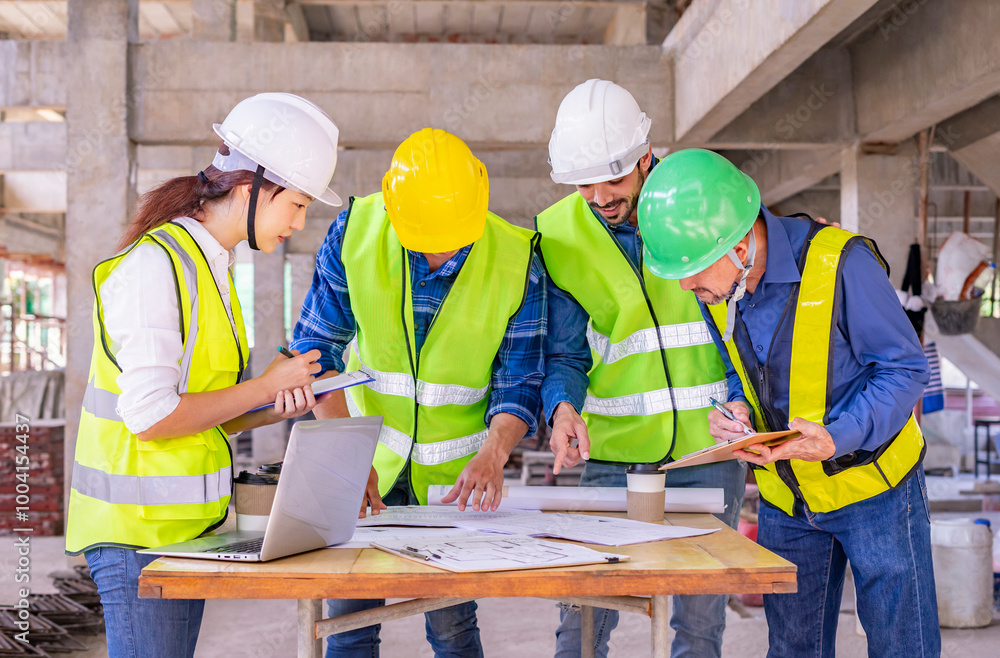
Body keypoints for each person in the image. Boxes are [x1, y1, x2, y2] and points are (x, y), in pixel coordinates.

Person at [65, 92, 343, 658]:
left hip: (183, 530)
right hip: (134, 535)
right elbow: (149, 417)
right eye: (295, 203)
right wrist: (263, 385)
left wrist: (274, 403)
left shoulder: (213, 264)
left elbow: (205, 414)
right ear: (250, 189)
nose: (299, 221)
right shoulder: (155, 266)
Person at [637, 148, 940, 657]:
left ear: (736, 243)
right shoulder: (720, 286)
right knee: (794, 650)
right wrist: (738, 410)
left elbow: (906, 369)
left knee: (900, 645)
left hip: (876, 492)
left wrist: (836, 437)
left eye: (693, 270)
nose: (686, 285)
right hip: (787, 503)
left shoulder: (843, 263)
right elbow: (740, 369)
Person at [290, 127, 546, 658]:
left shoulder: (517, 256)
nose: (439, 253)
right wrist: (345, 455)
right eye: (425, 242)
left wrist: (494, 452)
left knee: (453, 628)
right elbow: (316, 353)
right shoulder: (354, 233)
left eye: (452, 239)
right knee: (348, 620)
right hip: (368, 468)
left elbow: (517, 380)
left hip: (454, 481)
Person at [537, 79, 744, 658]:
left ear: (646, 158)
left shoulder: (699, 200)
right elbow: (566, 352)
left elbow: (738, 318)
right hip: (612, 458)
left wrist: (739, 397)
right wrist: (561, 406)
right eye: (584, 182)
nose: (600, 195)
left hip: (708, 450)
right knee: (583, 623)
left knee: (701, 625)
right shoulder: (558, 235)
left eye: (615, 178)